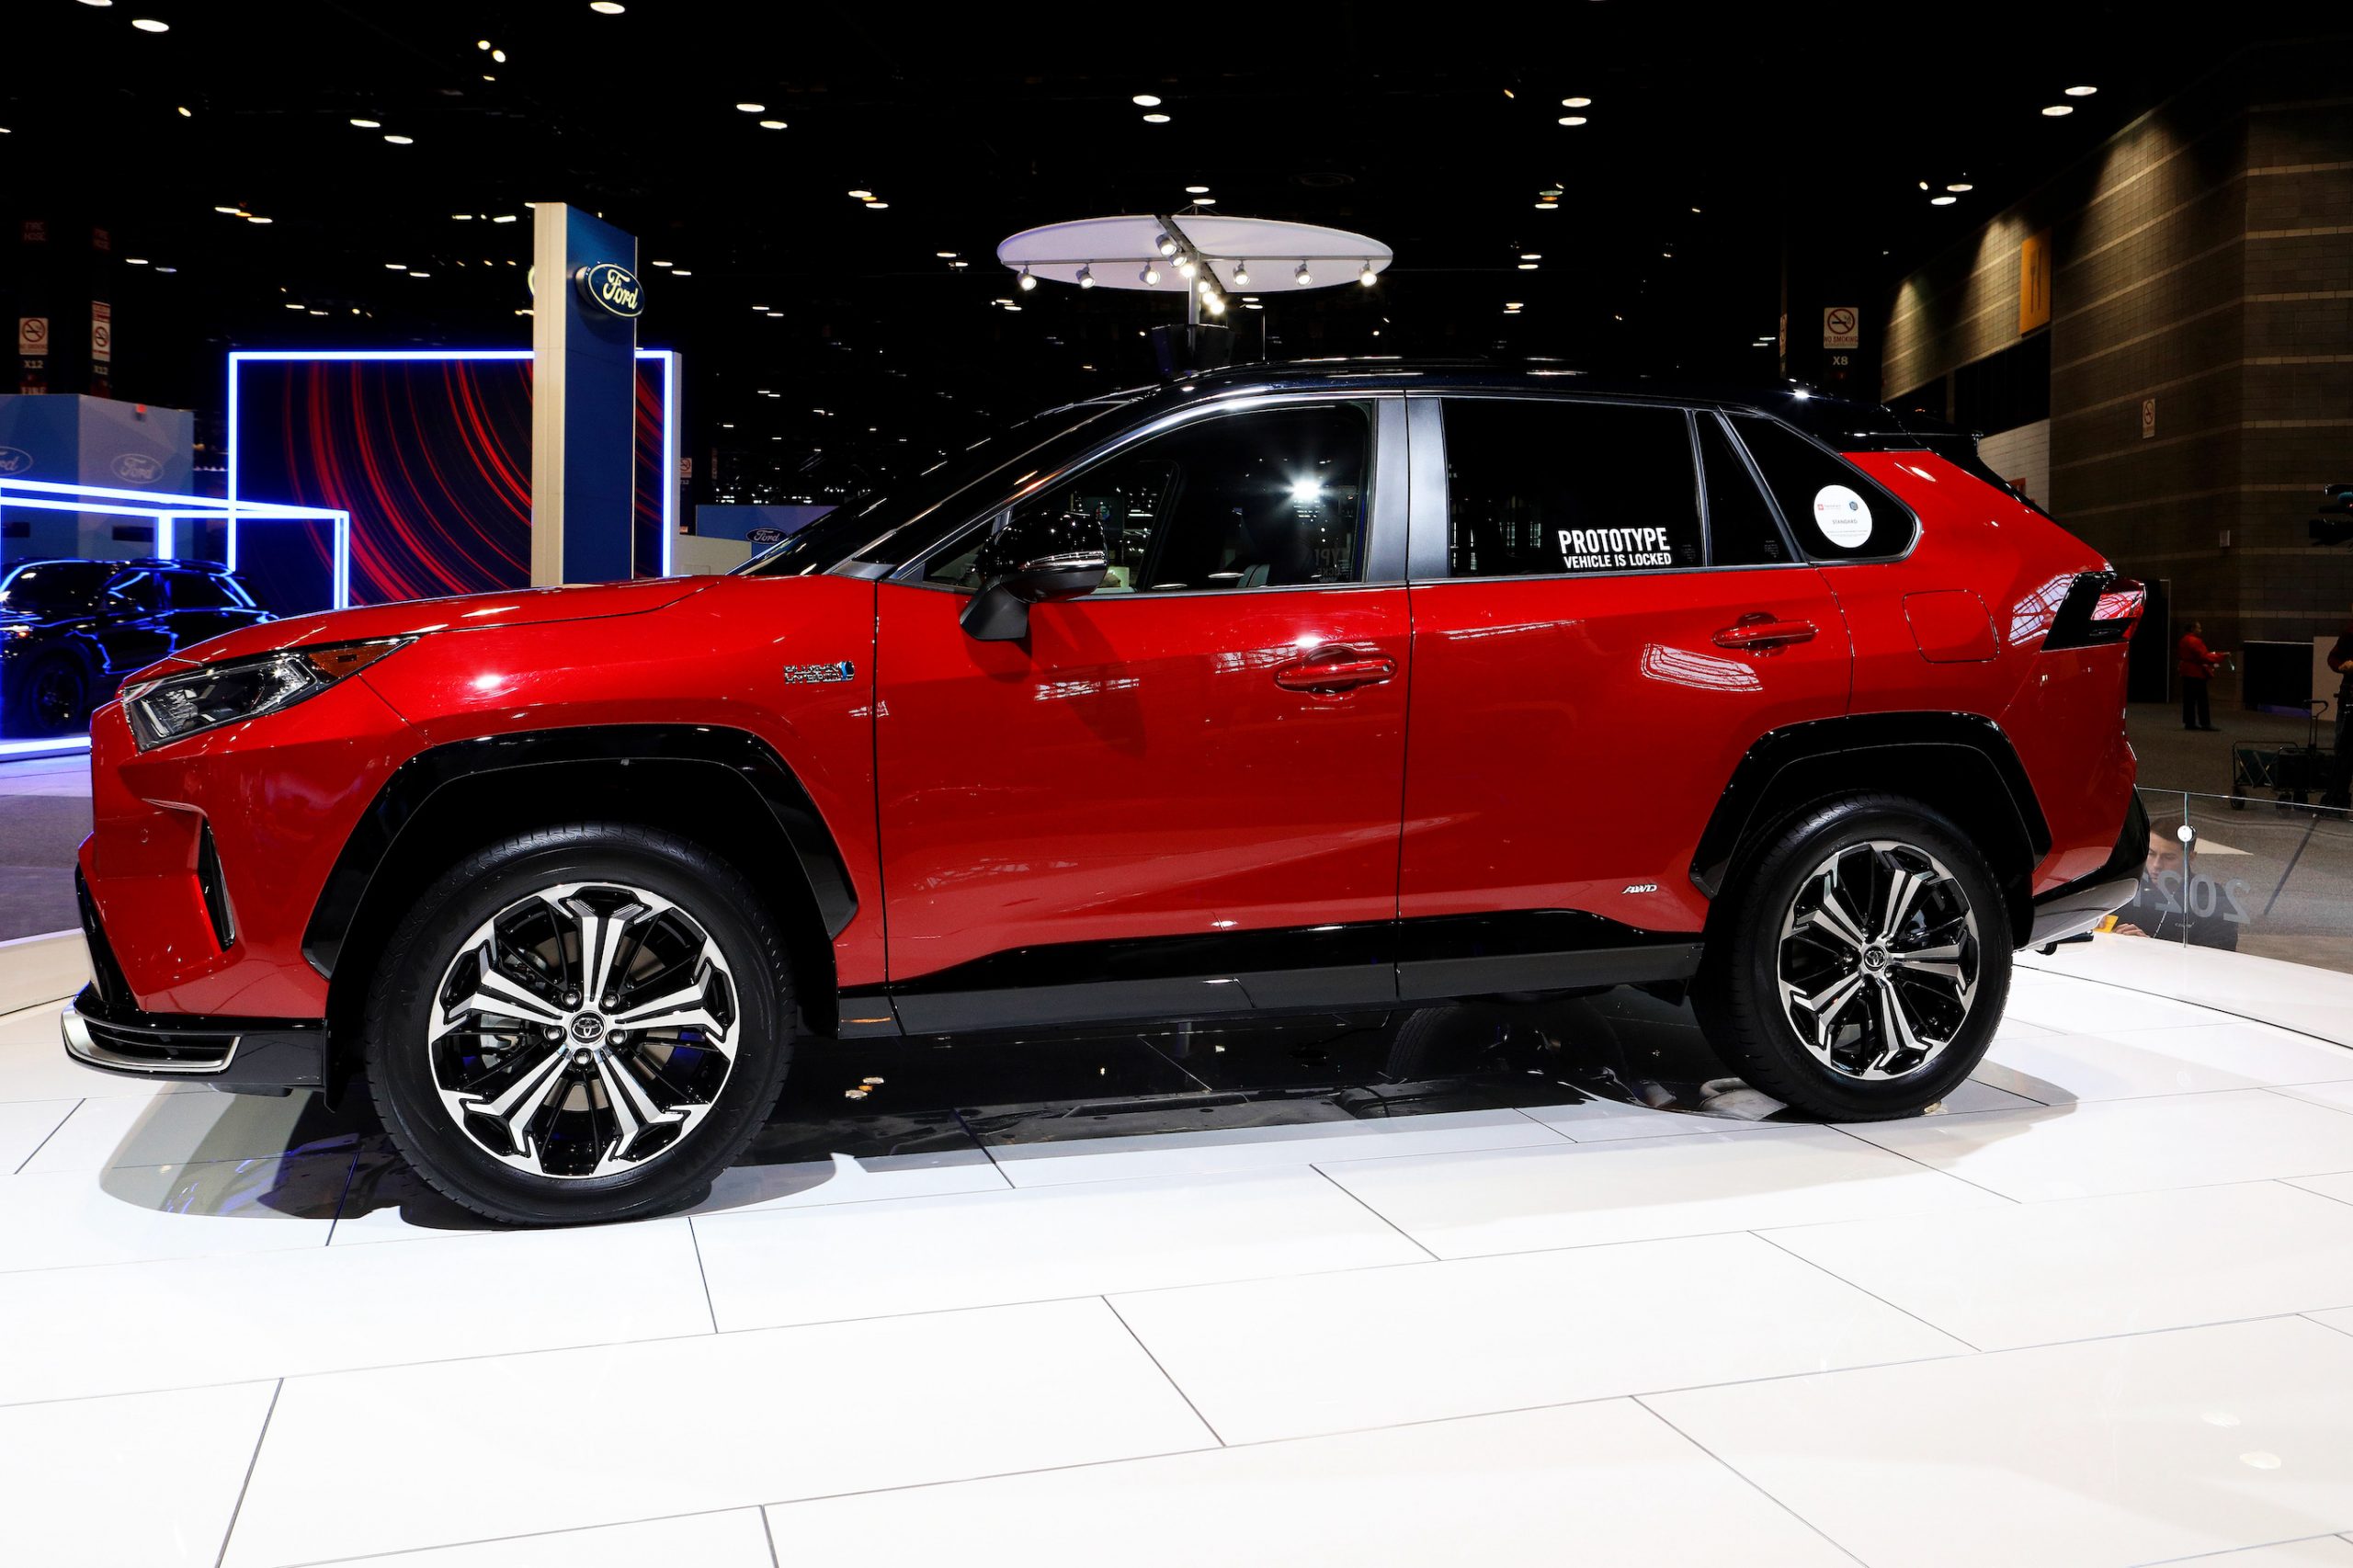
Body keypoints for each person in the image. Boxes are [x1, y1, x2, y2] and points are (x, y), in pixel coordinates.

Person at [2325, 601, 2353, 810]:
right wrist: (2341, 666)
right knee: (2342, 749)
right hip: (2348, 698)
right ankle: (2338, 796)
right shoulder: (2349, 633)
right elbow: (2333, 657)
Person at [2177, 620, 2225, 731]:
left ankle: (2189, 722)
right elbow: (2204, 656)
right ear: (2192, 629)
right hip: (2196, 672)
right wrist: (2220, 656)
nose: (2200, 630)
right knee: (2202, 699)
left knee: (2189, 699)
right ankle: (2205, 723)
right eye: (2198, 628)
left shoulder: (2183, 640)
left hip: (2186, 671)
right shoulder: (2195, 641)